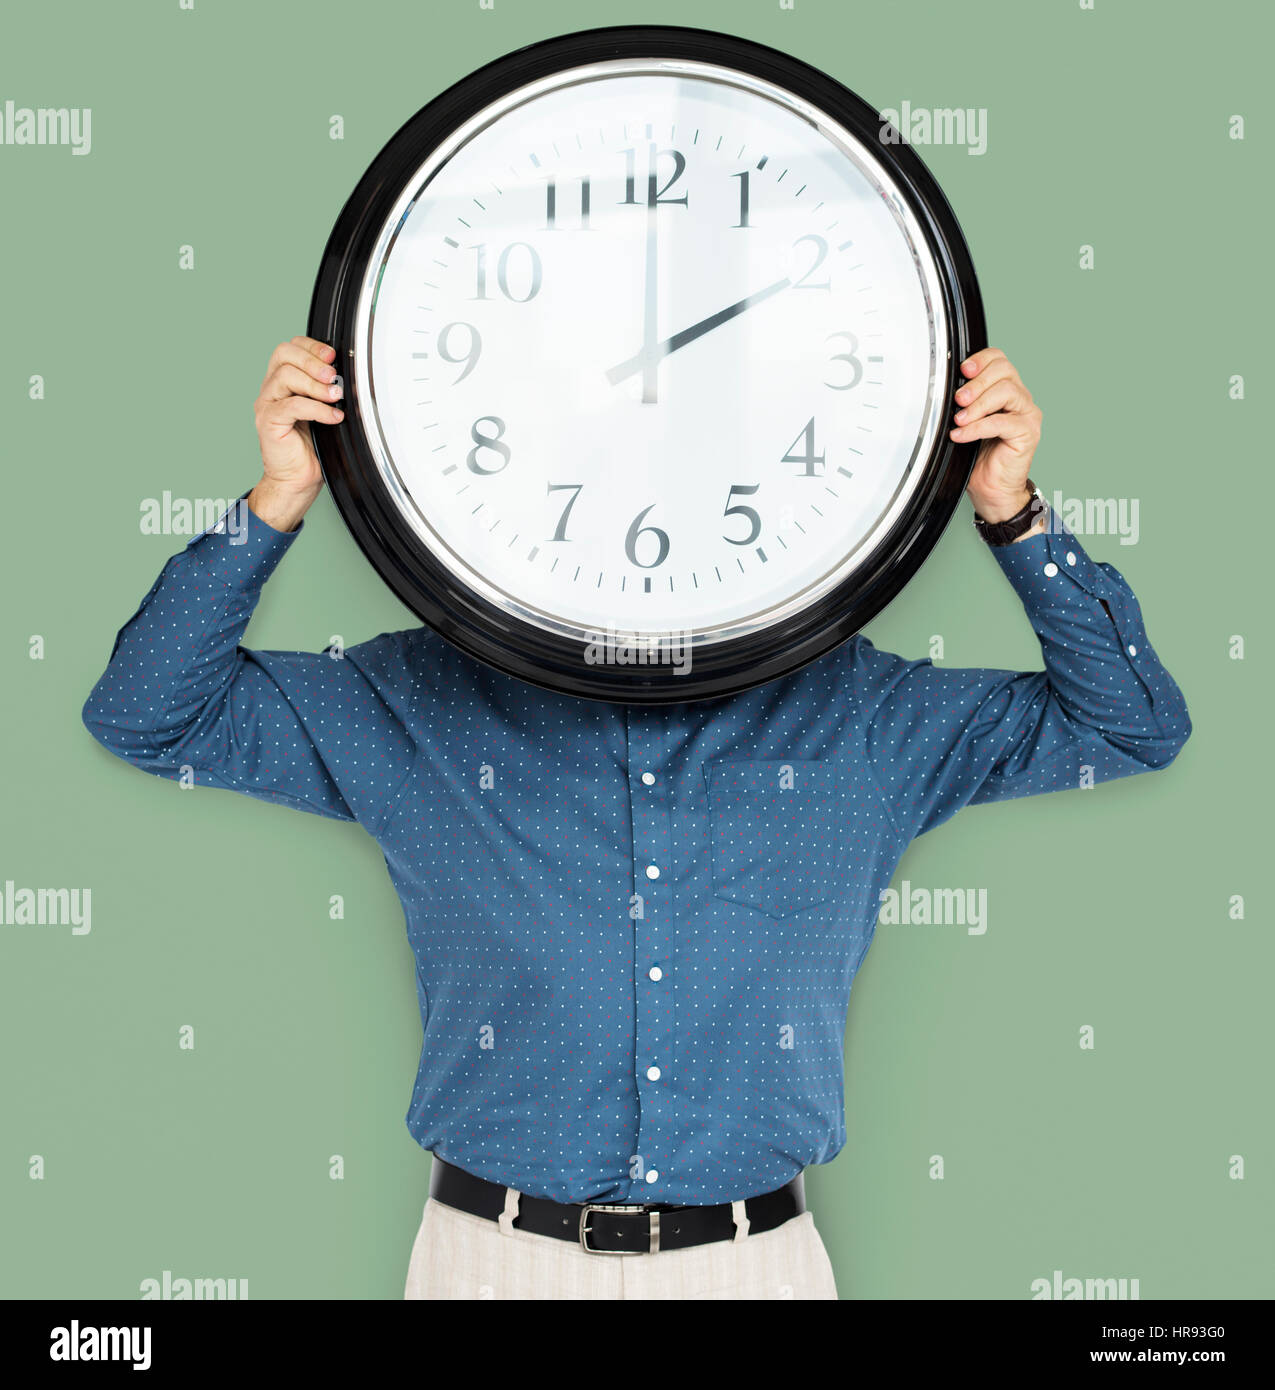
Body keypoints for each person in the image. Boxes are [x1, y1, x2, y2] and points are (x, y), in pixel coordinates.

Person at [80, 336, 1191, 1300]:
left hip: (754, 1265)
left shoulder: (866, 718)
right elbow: (145, 713)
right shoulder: (418, 699)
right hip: (488, 1261)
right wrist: (277, 495)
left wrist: (1013, 509)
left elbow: (1134, 723)